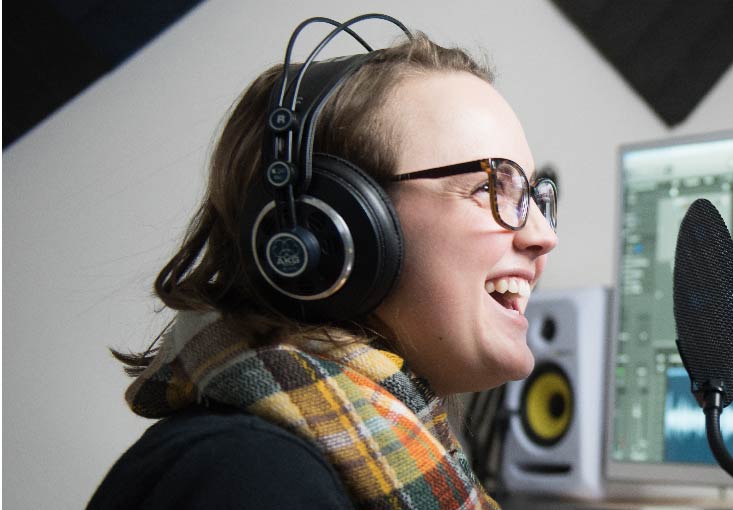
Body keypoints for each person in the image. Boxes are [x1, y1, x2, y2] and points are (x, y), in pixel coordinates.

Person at [88, 16, 557, 510]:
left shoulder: (342, 462)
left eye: (532, 196)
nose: (543, 236)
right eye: (489, 188)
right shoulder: (249, 476)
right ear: (337, 226)